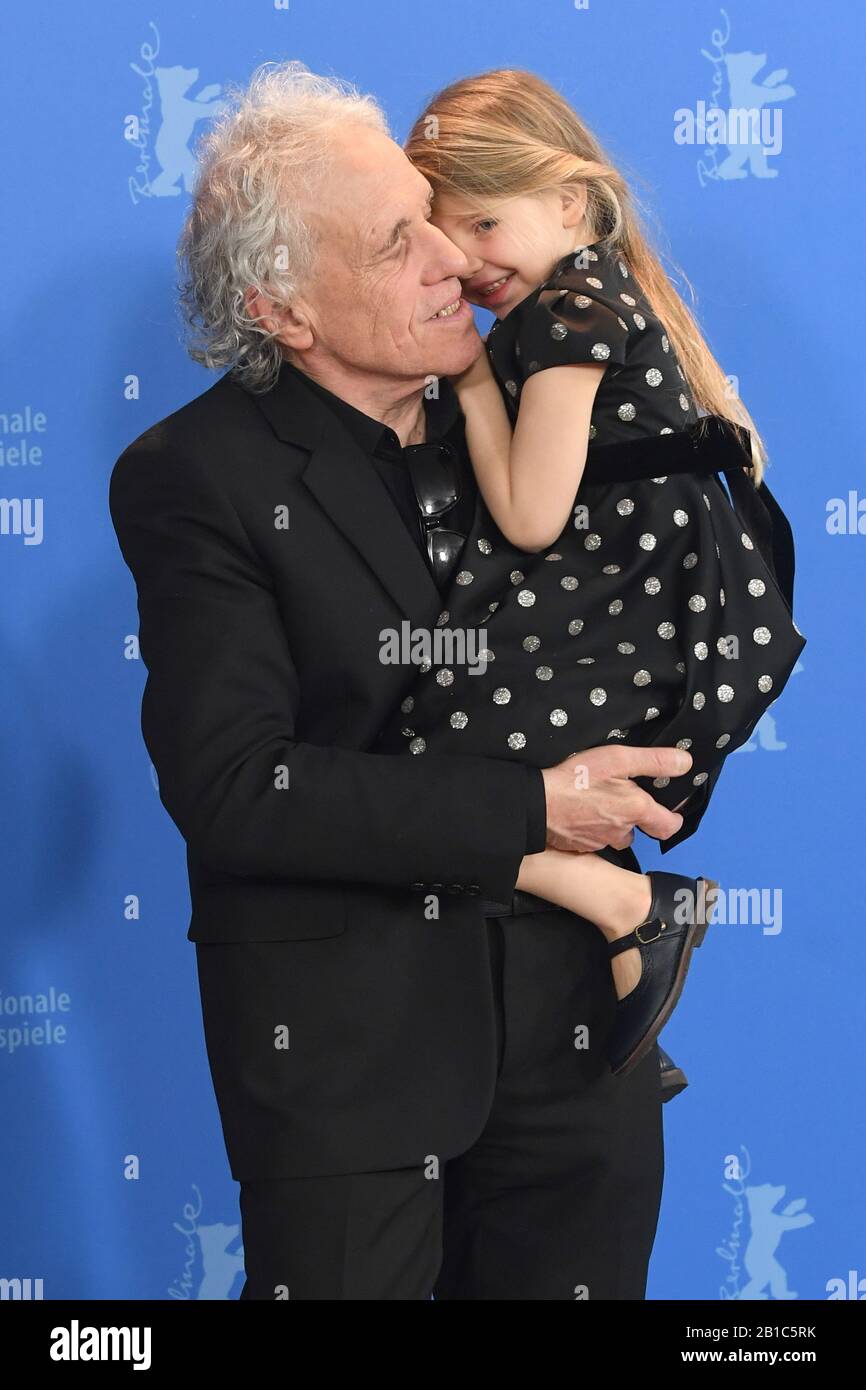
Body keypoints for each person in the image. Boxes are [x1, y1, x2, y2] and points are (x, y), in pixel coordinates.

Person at [109, 61, 700, 1301]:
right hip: (347, 1077)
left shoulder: (545, 416)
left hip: (573, 1042)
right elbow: (235, 787)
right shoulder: (196, 477)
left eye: (436, 216)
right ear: (282, 307)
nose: (453, 259)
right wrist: (528, 813)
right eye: (396, 242)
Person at [381, 68, 806, 1076]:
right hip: (644, 594)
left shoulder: (566, 313)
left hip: (632, 598)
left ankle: (633, 910)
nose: (469, 262)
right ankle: (626, 978)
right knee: (501, 774)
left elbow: (528, 517)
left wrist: (472, 379)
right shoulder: (592, 291)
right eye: (448, 237)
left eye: (485, 225)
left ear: (570, 202)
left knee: (419, 757)